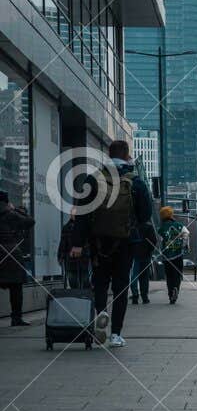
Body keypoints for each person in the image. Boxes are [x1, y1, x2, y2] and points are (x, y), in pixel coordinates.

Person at [69, 141, 153, 349]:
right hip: (125, 243)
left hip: (98, 242)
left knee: (99, 282)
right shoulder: (136, 182)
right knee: (121, 287)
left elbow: (82, 214)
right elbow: (145, 215)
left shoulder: (94, 178)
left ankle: (101, 312)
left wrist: (77, 244)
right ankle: (116, 335)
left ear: (109, 154)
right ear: (126, 156)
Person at [0, 189, 34, 326]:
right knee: (16, 288)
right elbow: (30, 221)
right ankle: (16, 318)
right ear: (7, 202)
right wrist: (16, 210)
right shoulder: (10, 214)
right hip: (12, 253)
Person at [158, 207, 186, 304]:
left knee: (169, 276)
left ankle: (171, 295)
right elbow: (186, 234)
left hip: (166, 257)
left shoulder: (161, 228)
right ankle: (176, 288)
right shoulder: (179, 225)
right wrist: (185, 246)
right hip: (178, 255)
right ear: (171, 214)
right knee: (177, 275)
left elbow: (159, 240)